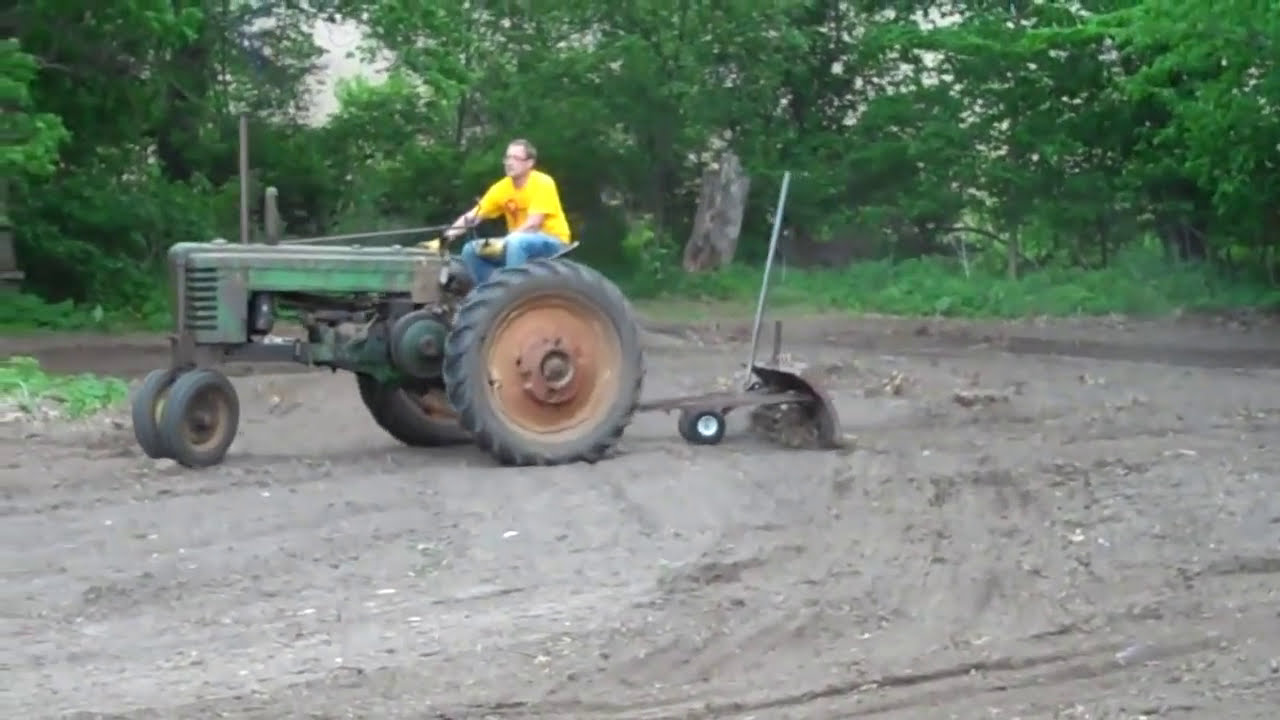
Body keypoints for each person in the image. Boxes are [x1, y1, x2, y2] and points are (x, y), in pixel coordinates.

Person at [440, 138, 573, 286]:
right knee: (471, 249)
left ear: (530, 163)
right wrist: (445, 238)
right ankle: (492, 292)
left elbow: (533, 224)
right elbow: (473, 216)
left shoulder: (543, 182)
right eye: (507, 158)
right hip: (515, 243)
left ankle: (513, 294)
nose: (509, 162)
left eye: (515, 158)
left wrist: (506, 241)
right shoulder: (501, 188)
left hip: (552, 242)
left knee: (515, 242)